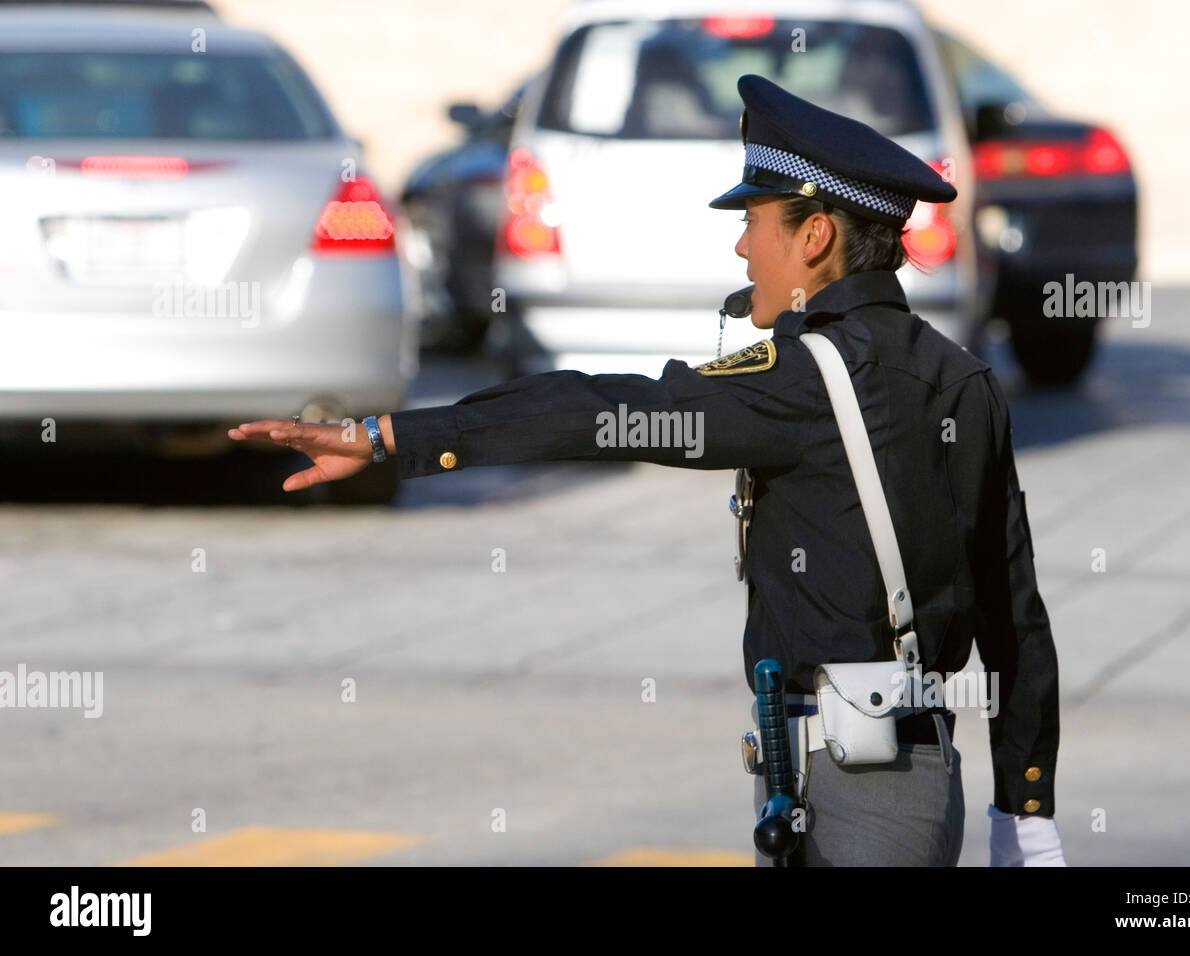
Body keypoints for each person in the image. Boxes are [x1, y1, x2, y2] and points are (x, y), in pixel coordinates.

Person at [228, 75, 1063, 867]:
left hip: (862, 793)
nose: (742, 247)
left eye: (757, 221)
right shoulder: (964, 378)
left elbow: (595, 410)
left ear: (815, 236)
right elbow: (1014, 612)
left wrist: (386, 437)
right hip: (906, 780)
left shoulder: (801, 381)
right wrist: (1024, 813)